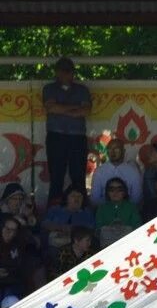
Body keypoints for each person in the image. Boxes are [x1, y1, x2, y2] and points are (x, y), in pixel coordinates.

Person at [41, 56, 92, 205]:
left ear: (73, 73)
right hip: (56, 136)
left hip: (77, 137)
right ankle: (54, 211)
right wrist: (75, 107)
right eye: (62, 72)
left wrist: (61, 108)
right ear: (56, 72)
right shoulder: (49, 88)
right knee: (56, 177)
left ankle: (81, 210)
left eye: (68, 72)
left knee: (78, 177)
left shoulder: (82, 89)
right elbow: (51, 107)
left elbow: (86, 111)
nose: (65, 75)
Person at [90, 139, 142, 207]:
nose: (112, 152)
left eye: (116, 149)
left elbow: (136, 198)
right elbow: (95, 199)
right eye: (110, 149)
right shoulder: (99, 171)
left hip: (127, 211)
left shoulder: (133, 171)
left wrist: (122, 208)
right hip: (105, 211)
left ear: (123, 151)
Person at [94, 177, 142, 246]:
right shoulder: (102, 208)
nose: (115, 192)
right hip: (107, 246)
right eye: (111, 189)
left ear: (124, 192)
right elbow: (98, 230)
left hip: (128, 244)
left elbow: (137, 228)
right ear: (107, 192)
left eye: (119, 189)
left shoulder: (131, 207)